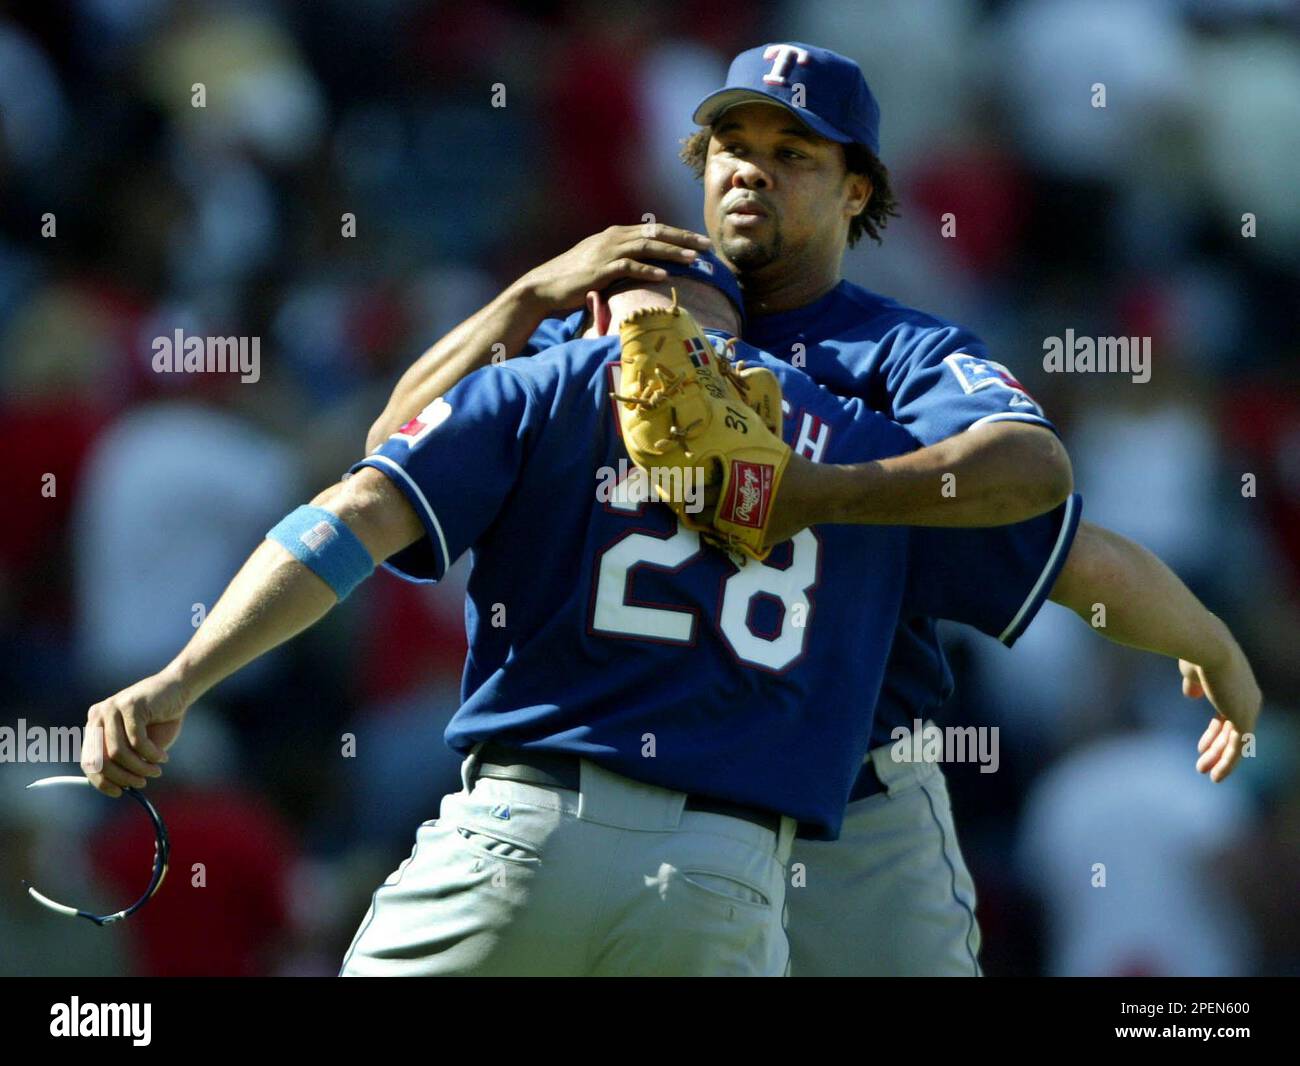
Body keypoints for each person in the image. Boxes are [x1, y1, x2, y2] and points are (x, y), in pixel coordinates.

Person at [364, 42, 1258, 975]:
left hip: (854, 808)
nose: (753, 169)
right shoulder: (610, 324)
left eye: (795, 153)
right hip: (617, 793)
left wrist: (814, 495)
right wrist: (526, 292)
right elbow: (390, 453)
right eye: (731, 144)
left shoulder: (897, 359)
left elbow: (1038, 487)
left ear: (856, 192)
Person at [80, 264, 1083, 976]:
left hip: (526, 834)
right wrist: (1207, 646)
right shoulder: (862, 443)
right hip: (724, 876)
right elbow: (1072, 541)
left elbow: (348, 511)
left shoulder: (545, 378)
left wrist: (178, 680)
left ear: (594, 301)